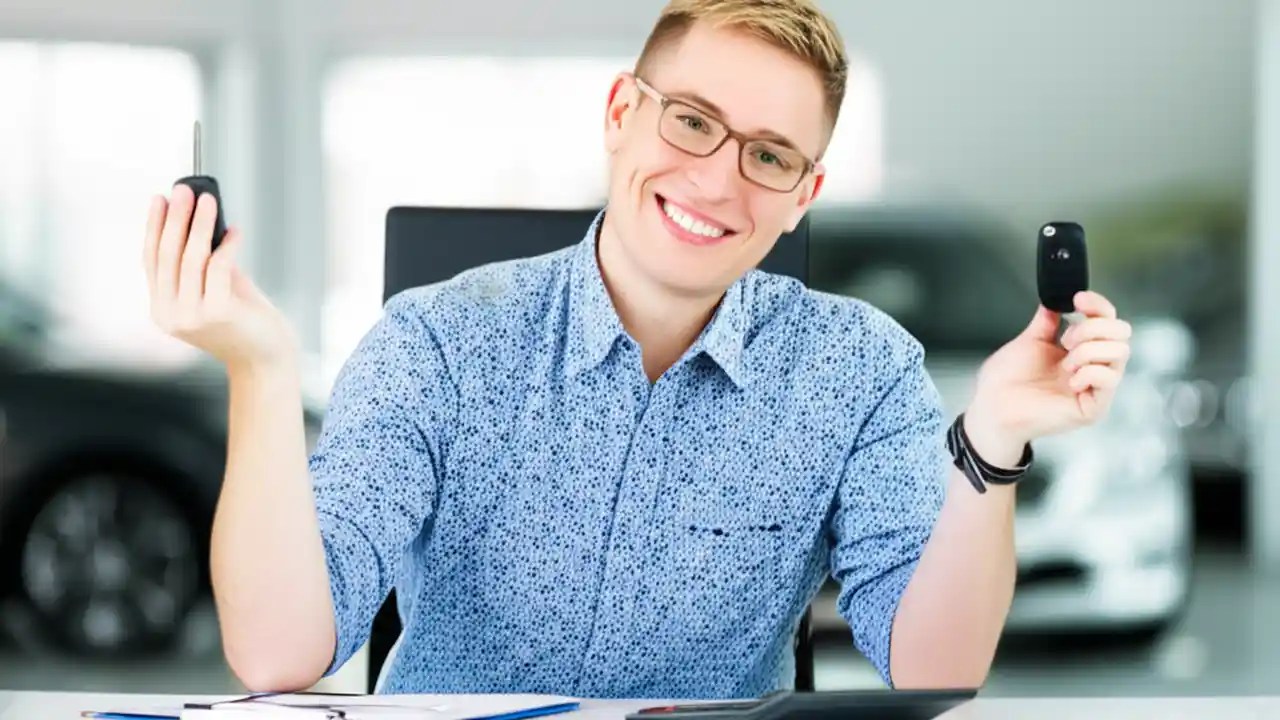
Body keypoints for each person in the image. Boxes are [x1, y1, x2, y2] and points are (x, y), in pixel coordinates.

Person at [142, 0, 1133, 700]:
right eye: (692, 121)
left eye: (768, 154)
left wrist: (993, 437)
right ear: (623, 114)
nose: (715, 178)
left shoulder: (859, 372)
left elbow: (934, 670)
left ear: (801, 195)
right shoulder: (437, 342)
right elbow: (276, 655)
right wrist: (259, 369)